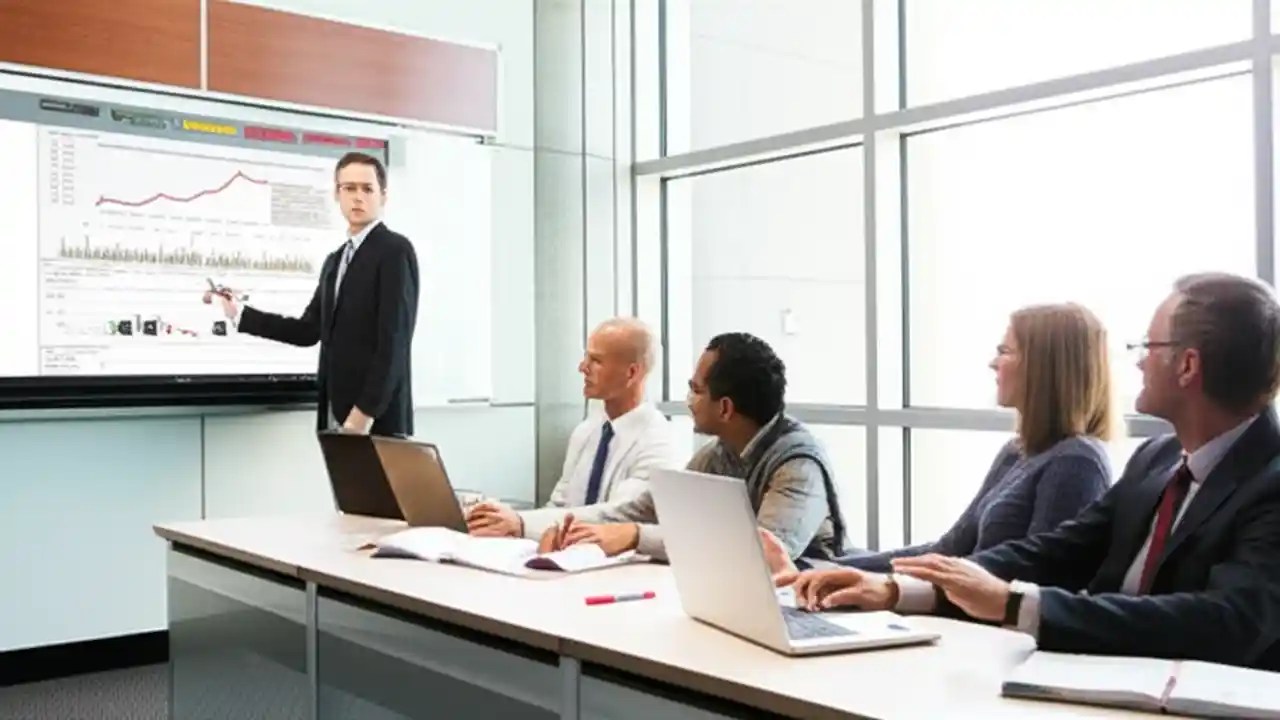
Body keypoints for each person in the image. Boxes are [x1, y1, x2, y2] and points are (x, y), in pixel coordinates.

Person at [782, 273, 1280, 670]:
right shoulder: (1158, 458)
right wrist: (897, 590)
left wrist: (1014, 604)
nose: (1137, 364)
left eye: (1147, 348)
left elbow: (1229, 621)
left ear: (1187, 366)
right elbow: (1053, 553)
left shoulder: (1270, 479)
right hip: (1093, 682)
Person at [762, 303, 1116, 578]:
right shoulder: (1017, 453)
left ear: (1044, 366)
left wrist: (875, 585)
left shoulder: (1076, 462)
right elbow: (949, 549)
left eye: (1005, 351)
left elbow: (1034, 581)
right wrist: (825, 572)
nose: (994, 363)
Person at [524, 332, 848, 563]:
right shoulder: (717, 453)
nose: (688, 401)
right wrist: (568, 527)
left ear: (725, 408)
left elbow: (764, 552)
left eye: (695, 390)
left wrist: (637, 536)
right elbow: (644, 509)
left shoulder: (798, 464)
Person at [203, 152, 419, 437]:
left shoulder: (394, 251)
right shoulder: (335, 261)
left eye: (367, 189)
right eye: (349, 188)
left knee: (373, 484)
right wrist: (242, 315)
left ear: (383, 196)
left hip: (374, 421)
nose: (358, 197)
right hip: (333, 410)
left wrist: (362, 416)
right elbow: (307, 330)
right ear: (336, 193)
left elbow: (394, 343)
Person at [466, 318, 681, 537]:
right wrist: (502, 524)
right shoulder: (587, 431)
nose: (582, 368)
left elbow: (620, 515)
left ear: (632, 373)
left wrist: (521, 523)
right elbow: (559, 507)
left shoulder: (658, 441)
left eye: (596, 360)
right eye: (586, 357)